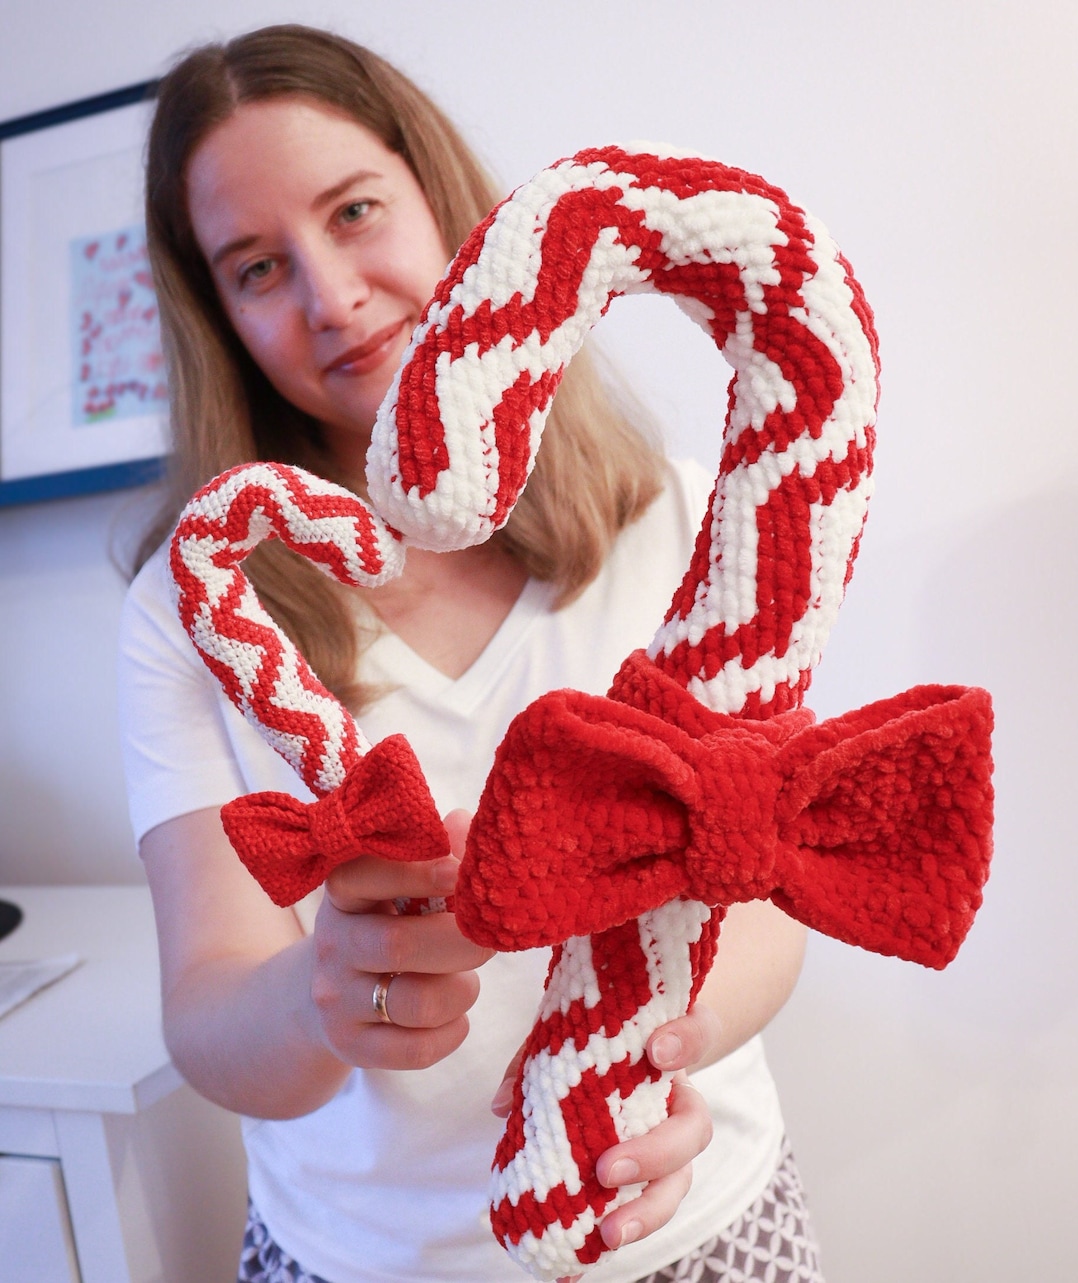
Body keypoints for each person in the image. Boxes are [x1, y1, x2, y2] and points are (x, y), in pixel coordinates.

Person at [118, 24, 821, 1283]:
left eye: (354, 211)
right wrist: (323, 990)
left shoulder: (682, 516)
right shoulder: (188, 604)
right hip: (356, 1256)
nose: (332, 295)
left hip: (700, 1222)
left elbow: (761, 887)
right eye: (258, 266)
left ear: (440, 194)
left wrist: (663, 1046)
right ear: (216, 314)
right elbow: (207, 1005)